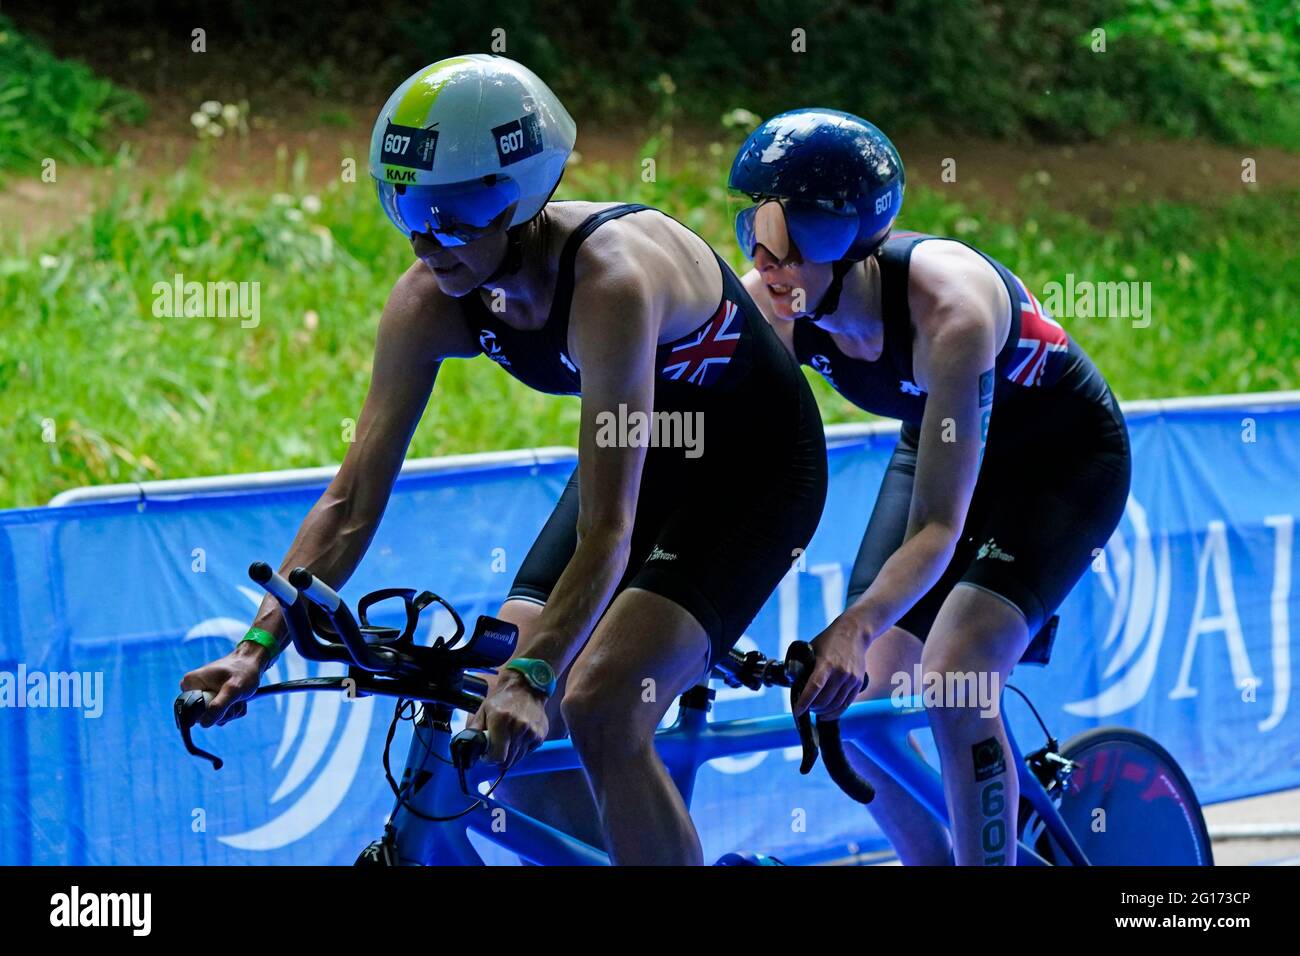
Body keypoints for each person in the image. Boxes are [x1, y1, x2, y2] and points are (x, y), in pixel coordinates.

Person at [179, 55, 827, 865]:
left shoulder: (610, 283)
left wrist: (538, 671)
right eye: (403, 206)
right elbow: (351, 501)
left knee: (596, 701)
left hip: (753, 473)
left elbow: (609, 531)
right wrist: (256, 647)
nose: (425, 238)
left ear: (521, 203)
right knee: (490, 724)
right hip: (651, 456)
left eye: (452, 215)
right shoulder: (429, 300)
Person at [729, 109, 1131, 865]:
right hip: (941, 440)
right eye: (753, 224)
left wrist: (855, 624)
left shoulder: (951, 309)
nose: (770, 259)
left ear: (856, 242)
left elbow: (938, 529)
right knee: (861, 706)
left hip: (1059, 461)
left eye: (798, 237)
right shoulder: (774, 301)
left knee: (955, 679)